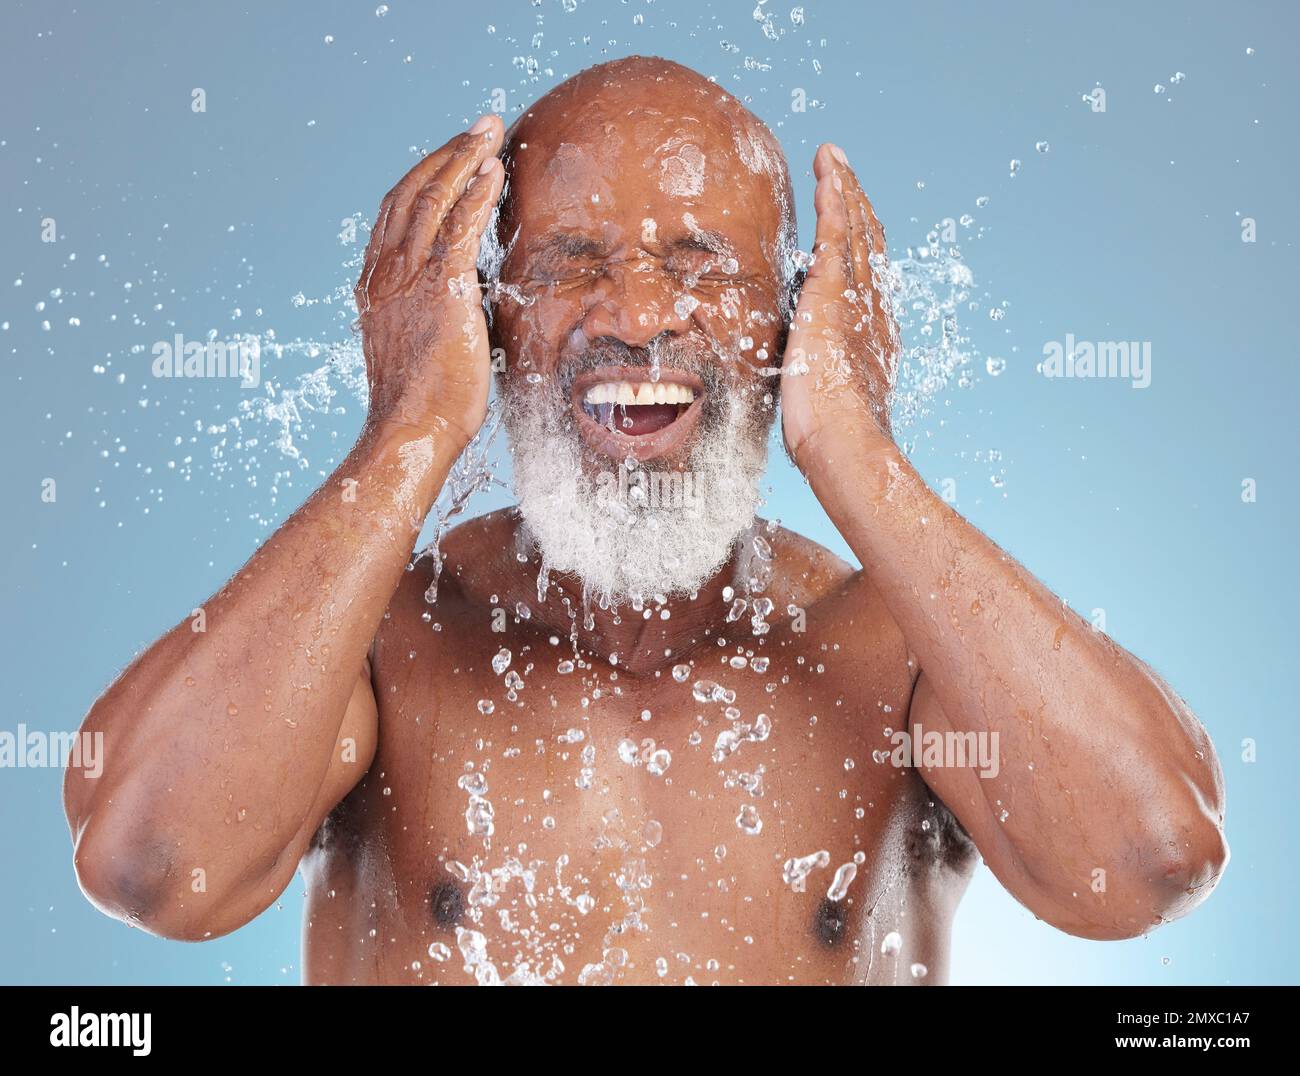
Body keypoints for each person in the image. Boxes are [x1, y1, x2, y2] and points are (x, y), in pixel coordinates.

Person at [64, 57, 1227, 985]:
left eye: (703, 266)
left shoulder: (900, 645)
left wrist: (858, 455)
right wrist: (408, 433)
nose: (637, 313)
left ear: (792, 321)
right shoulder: (379, 632)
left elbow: (1144, 866)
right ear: (488, 316)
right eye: (570, 262)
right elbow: (154, 867)